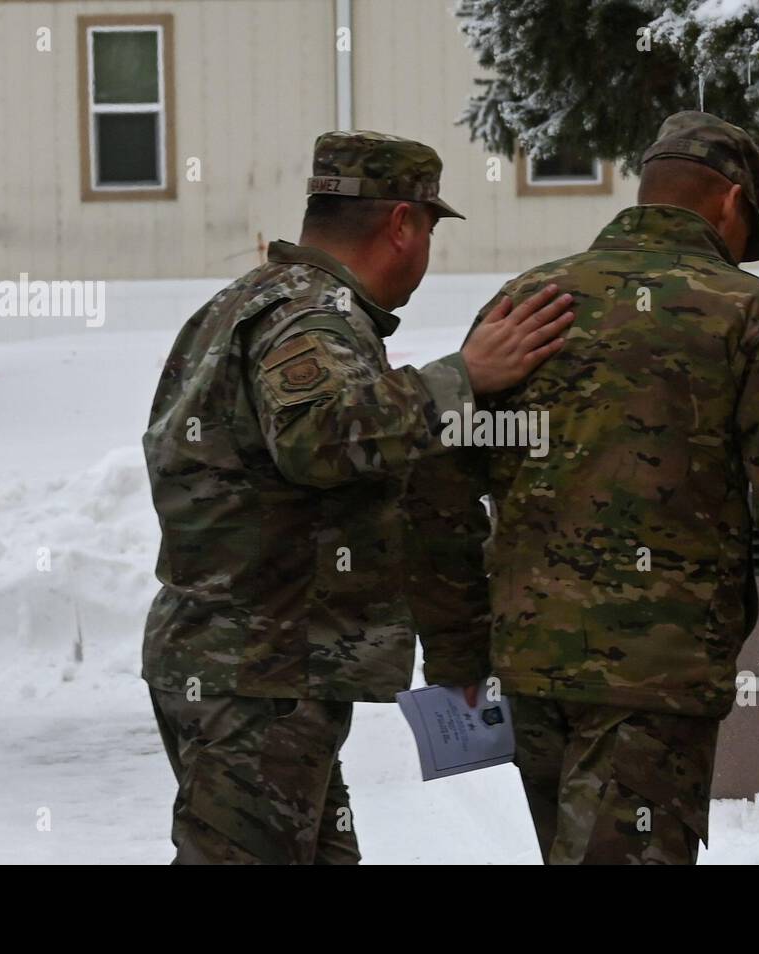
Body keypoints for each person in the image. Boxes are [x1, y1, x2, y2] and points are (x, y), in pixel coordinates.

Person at [405, 112, 759, 865]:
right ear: (731, 203)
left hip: (532, 667)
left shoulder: (527, 302)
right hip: (658, 678)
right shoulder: (748, 315)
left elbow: (438, 491)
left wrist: (457, 655)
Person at [141, 129, 574, 864]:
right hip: (259, 675)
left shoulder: (253, 302)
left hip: (252, 664)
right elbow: (318, 440)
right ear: (402, 223)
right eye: (431, 228)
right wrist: (461, 378)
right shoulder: (309, 314)